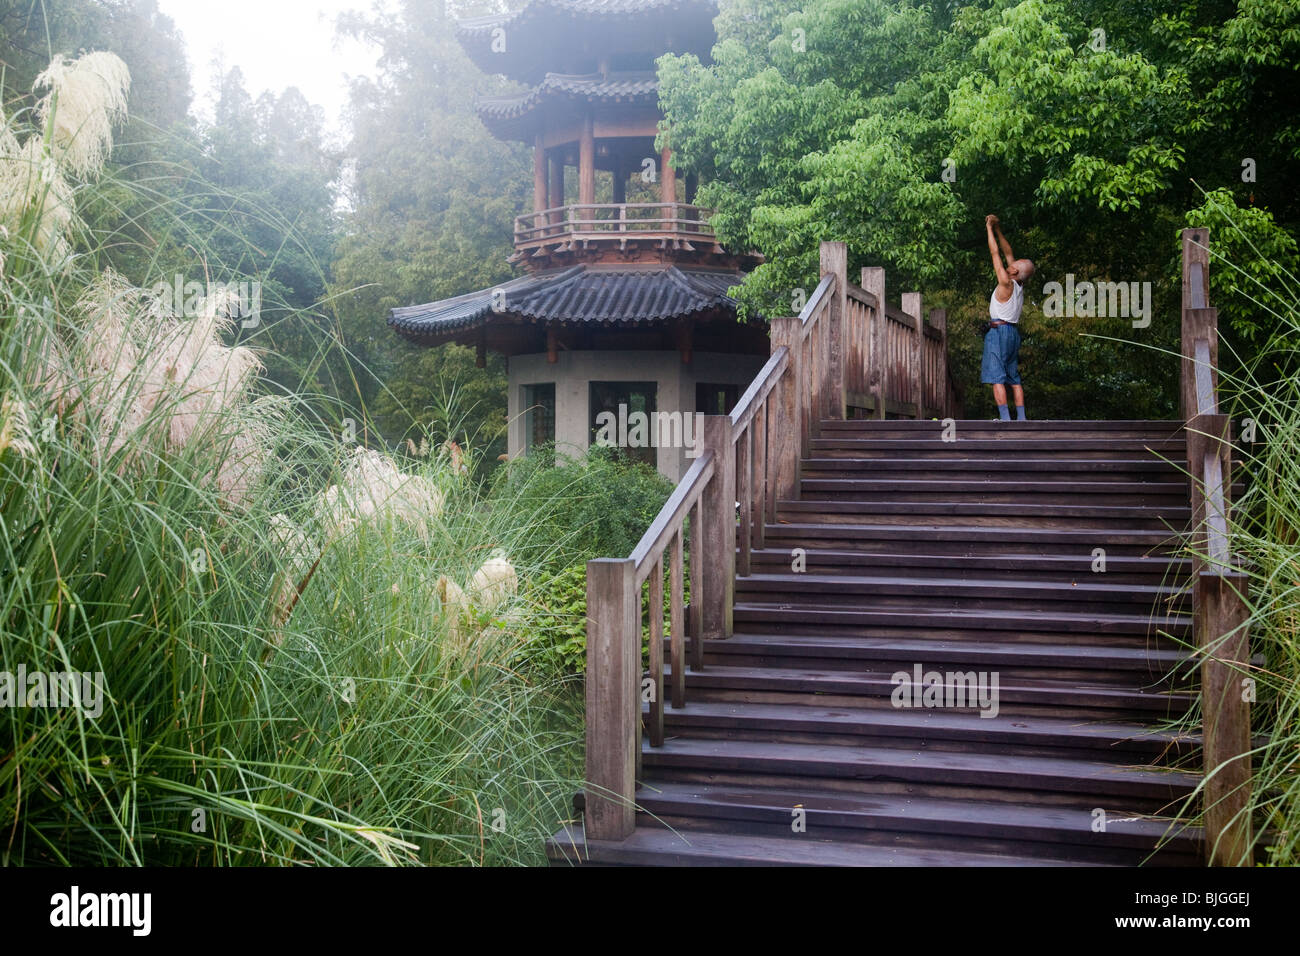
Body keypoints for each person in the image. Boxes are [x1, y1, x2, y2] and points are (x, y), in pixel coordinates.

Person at [982, 214, 1034, 421]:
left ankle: (1005, 420)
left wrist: (988, 228)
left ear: (1014, 270)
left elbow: (996, 253)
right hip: (1012, 333)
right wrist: (998, 228)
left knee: (997, 377)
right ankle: (1021, 419)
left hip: (998, 332)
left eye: (1016, 263)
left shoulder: (1006, 282)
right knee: (1014, 379)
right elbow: (1008, 251)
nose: (1012, 261)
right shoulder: (1020, 283)